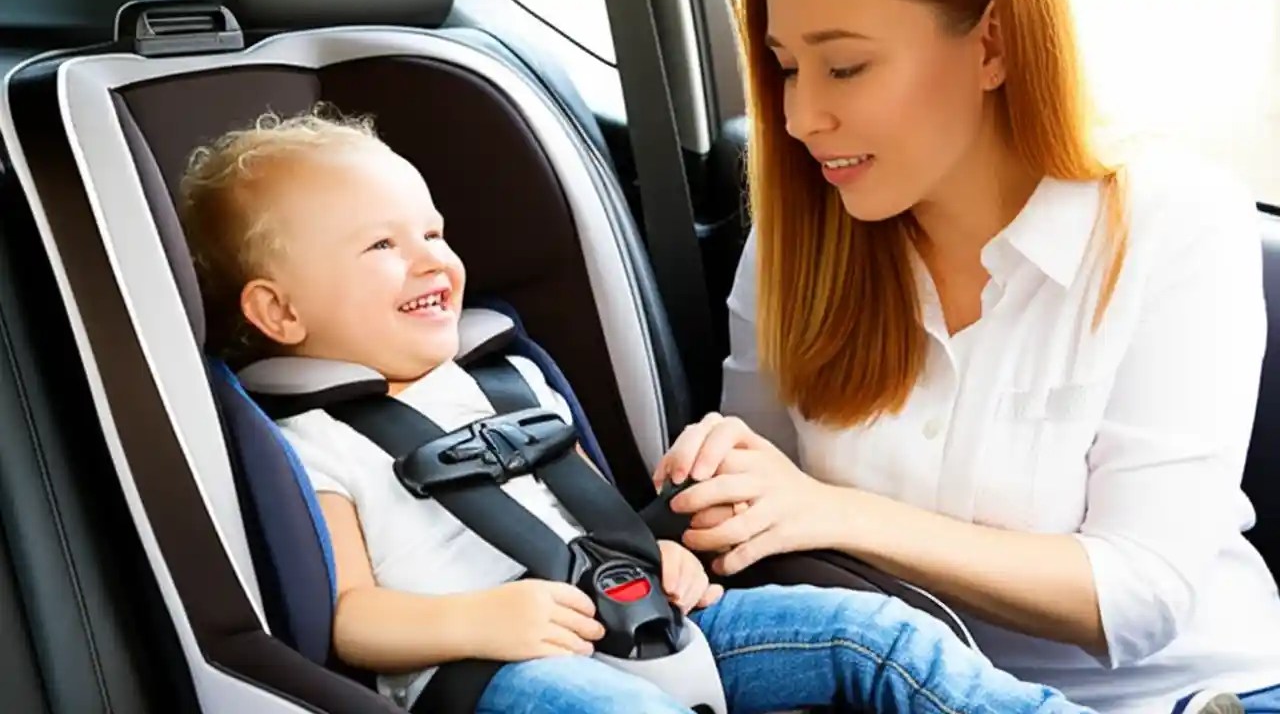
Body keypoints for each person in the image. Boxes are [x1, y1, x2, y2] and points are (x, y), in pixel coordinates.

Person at [177, 107, 1107, 714]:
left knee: (879, 637)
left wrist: (649, 556)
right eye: (382, 244)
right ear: (279, 312)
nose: (431, 259)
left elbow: (589, 513)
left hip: (654, 623)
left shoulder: (509, 379)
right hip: (501, 676)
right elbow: (349, 618)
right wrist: (480, 625)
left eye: (434, 231)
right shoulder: (312, 444)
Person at [651, 0, 1280, 713]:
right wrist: (701, 520)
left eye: (845, 66)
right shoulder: (795, 249)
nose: (799, 118)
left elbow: (1139, 596)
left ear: (992, 46)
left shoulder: (1174, 223)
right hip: (891, 689)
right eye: (788, 68)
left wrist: (836, 512)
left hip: (1193, 695)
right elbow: (761, 515)